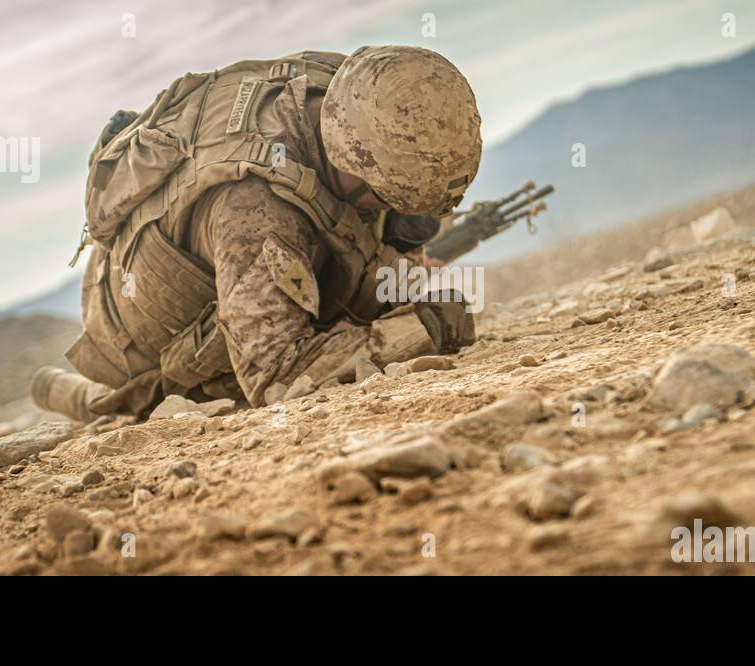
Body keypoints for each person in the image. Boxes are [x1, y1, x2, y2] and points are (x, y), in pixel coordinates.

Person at [33, 45, 481, 422]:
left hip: (211, 253)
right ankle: (86, 398)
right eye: (385, 198)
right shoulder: (256, 211)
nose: (388, 212)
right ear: (352, 163)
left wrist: (402, 256)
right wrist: (420, 331)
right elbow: (277, 373)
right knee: (187, 392)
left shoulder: (352, 90)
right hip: (135, 327)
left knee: (394, 247)